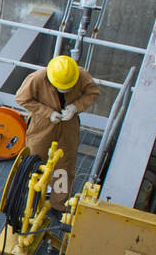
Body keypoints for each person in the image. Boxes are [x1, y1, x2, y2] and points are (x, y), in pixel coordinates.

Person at [15, 56, 100, 210]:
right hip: (42, 125)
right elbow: (22, 98)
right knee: (35, 162)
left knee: (64, 166)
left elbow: (92, 93)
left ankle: (59, 204)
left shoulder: (80, 75)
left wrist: (75, 107)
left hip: (68, 126)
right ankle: (32, 200)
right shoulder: (38, 78)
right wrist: (47, 112)